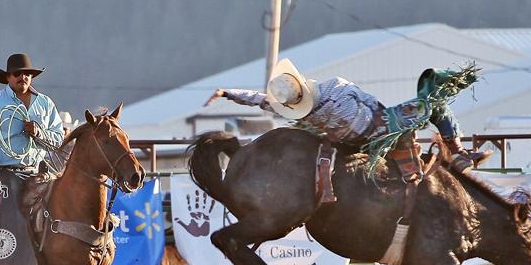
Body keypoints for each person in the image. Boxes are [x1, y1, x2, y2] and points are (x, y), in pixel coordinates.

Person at [205, 59, 490, 177]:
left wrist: (228, 93)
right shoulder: (334, 87)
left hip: (349, 146)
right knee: (434, 104)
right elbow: (369, 101)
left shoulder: (291, 109)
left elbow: (258, 100)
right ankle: (458, 153)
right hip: (381, 125)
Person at [0, 53, 64, 172]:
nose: (23, 77)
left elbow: (59, 139)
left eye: (27, 74)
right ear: (8, 77)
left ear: (31, 77)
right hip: (4, 172)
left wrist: (38, 133)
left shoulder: (45, 103)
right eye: (17, 73)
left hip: (37, 172)